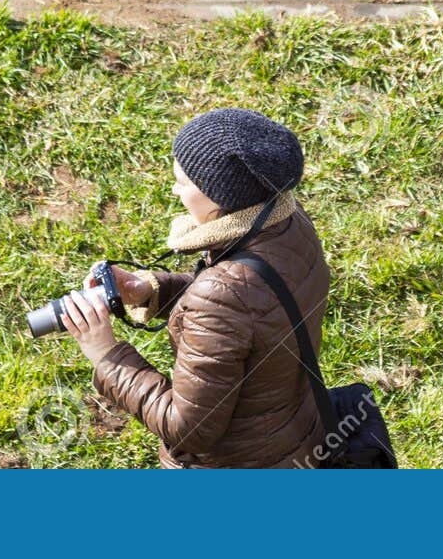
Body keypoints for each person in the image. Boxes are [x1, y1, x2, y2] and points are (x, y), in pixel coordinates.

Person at [59, 108, 331, 468]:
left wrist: (106, 354)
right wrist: (149, 289)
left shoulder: (224, 294)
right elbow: (251, 304)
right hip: (294, 431)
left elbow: (188, 429)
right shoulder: (288, 222)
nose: (175, 189)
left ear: (219, 198)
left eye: (184, 182)